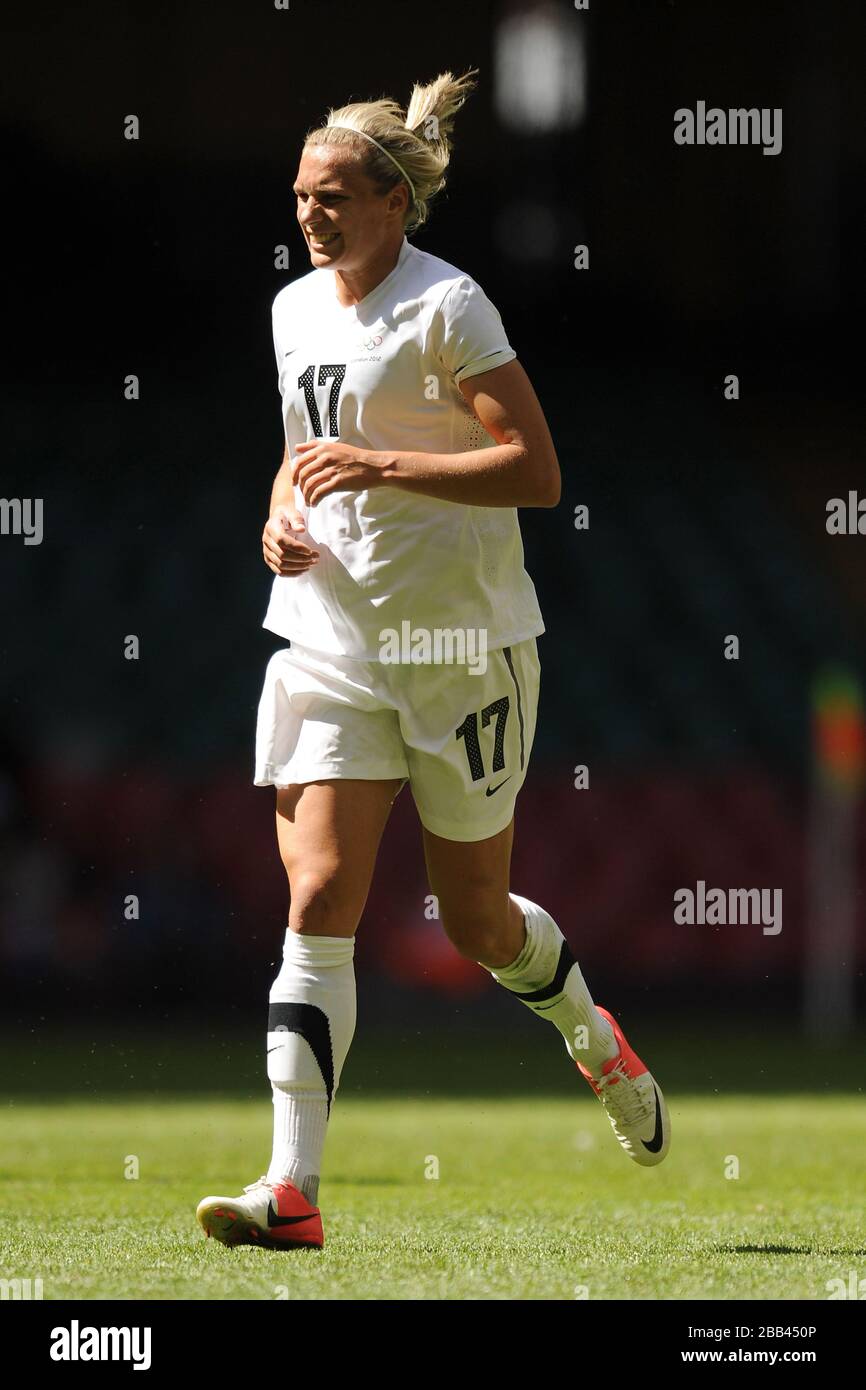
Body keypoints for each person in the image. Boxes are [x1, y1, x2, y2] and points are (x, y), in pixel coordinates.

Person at [196, 69, 669, 1251]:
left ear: (394, 203)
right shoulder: (292, 308)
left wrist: (384, 465)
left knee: (473, 922)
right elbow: (303, 454)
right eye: (299, 195)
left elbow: (536, 471)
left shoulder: (449, 308)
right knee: (317, 896)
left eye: (334, 196)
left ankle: (589, 1038)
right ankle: (290, 1190)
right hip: (332, 641)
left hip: (460, 650)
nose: (309, 215)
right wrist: (280, 514)